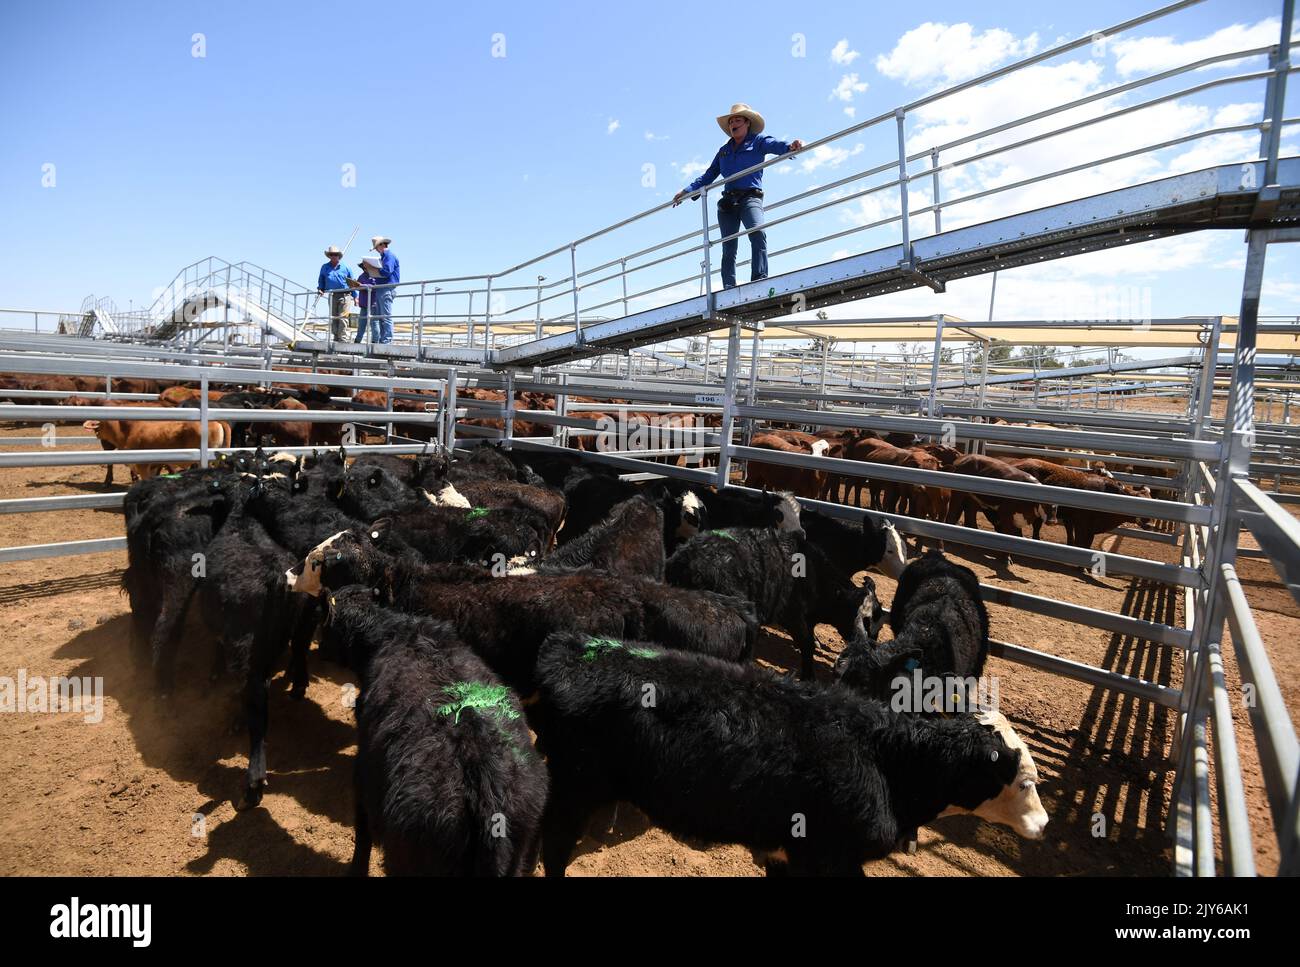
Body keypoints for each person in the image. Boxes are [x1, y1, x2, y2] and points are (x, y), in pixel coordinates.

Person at [673, 103, 802, 289]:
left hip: (750, 196)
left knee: (757, 232)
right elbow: (709, 175)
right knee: (728, 246)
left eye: (737, 120)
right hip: (728, 202)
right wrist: (686, 191)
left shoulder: (758, 141)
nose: (733, 124)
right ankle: (729, 287)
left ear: (747, 123)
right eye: (731, 121)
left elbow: (776, 145)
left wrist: (791, 147)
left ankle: (759, 279)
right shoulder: (724, 151)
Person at [316, 245, 355, 341]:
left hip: (345, 295)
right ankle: (336, 337)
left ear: (339, 256)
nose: (334, 256)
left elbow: (352, 283)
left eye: (336, 254)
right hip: (332, 295)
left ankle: (343, 339)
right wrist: (320, 289)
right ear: (329, 256)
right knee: (334, 317)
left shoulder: (346, 267)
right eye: (332, 254)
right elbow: (321, 279)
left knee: (343, 317)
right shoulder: (325, 267)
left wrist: (355, 296)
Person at [368, 235, 399, 344]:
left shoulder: (388, 256)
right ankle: (384, 340)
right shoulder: (386, 256)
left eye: (376, 247)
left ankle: (386, 340)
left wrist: (374, 270)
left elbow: (387, 271)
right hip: (383, 288)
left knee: (385, 316)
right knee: (383, 316)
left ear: (381, 245)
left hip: (386, 288)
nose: (376, 250)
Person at [353, 256, 382, 344]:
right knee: (361, 324)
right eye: (363, 266)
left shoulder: (376, 275)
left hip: (373, 303)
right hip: (364, 304)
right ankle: (357, 341)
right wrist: (355, 285)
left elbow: (375, 287)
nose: (364, 268)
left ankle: (375, 342)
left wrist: (361, 285)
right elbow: (358, 286)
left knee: (374, 323)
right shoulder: (361, 276)